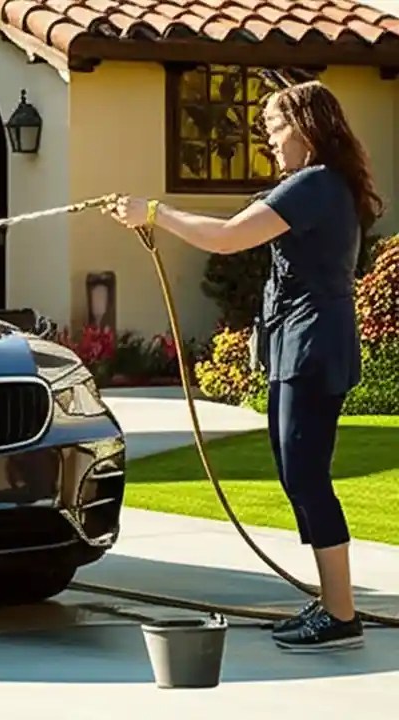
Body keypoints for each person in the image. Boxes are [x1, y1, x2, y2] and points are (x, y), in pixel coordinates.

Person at [104, 80, 385, 653]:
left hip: (312, 349)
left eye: (276, 128)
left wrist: (154, 212)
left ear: (306, 128)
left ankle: (340, 614)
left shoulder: (314, 184)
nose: (270, 140)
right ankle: (333, 605)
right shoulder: (320, 185)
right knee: (296, 473)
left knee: (306, 476)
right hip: (301, 346)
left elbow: (229, 238)